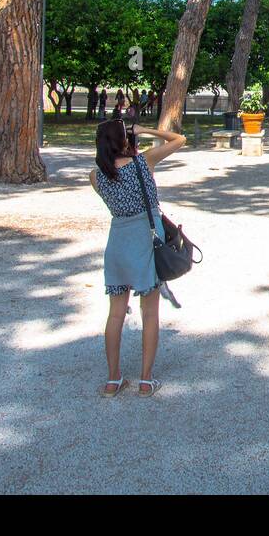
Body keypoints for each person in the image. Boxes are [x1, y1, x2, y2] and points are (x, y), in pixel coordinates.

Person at [90, 117, 186, 398]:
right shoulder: (144, 163)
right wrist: (144, 131)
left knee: (115, 314)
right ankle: (145, 380)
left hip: (118, 242)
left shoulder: (96, 176)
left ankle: (112, 379)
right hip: (145, 239)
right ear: (125, 139)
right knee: (150, 313)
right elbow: (179, 140)